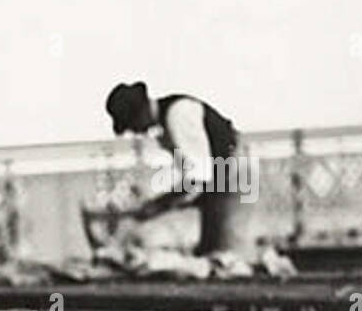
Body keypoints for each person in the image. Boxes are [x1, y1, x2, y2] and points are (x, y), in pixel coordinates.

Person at [84, 81, 251, 257]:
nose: (135, 131)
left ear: (142, 112)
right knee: (209, 250)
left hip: (234, 172)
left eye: (132, 124)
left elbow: (198, 178)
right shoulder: (166, 124)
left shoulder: (178, 114)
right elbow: (195, 180)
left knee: (222, 253)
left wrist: (159, 205)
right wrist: (164, 204)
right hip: (222, 176)